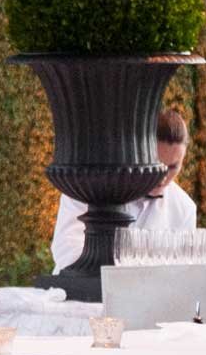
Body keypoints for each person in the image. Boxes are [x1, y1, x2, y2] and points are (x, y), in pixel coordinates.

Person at [51, 102, 198, 270]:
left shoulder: (184, 209)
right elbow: (67, 250)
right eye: (157, 165)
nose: (163, 177)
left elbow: (180, 271)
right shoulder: (88, 184)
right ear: (139, 151)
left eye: (173, 167)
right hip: (77, 285)